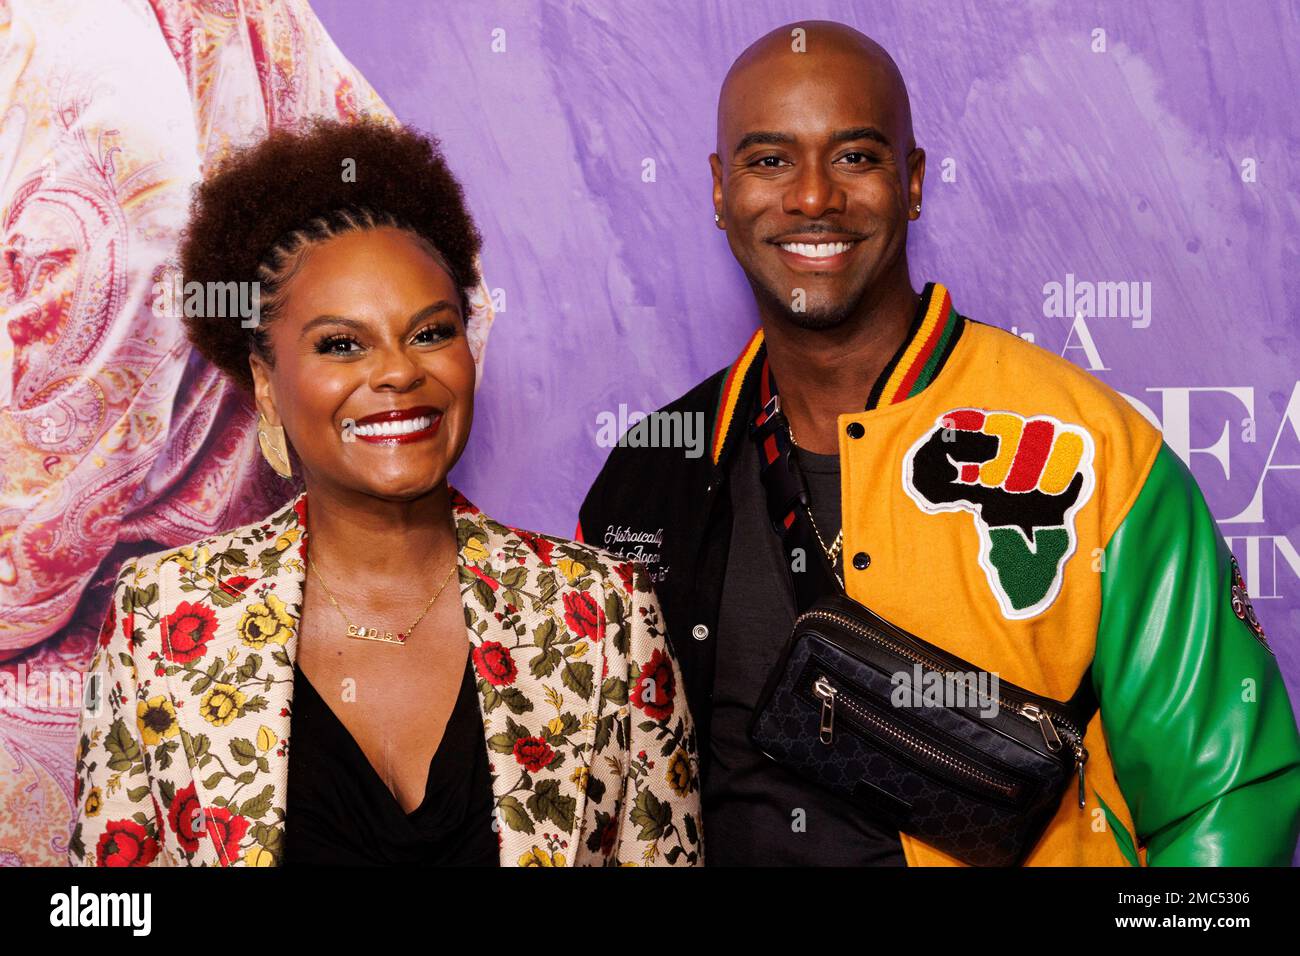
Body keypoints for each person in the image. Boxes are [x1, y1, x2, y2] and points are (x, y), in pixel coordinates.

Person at [578, 20, 1300, 865]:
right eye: (770, 160)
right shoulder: (651, 472)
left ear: (913, 181)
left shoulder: (1096, 450)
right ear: (718, 190)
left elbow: (1227, 800)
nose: (813, 197)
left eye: (856, 156)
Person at [69, 117, 702, 867]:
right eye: (341, 344)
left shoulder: (604, 617)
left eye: (430, 333)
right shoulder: (160, 621)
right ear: (267, 386)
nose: (399, 372)